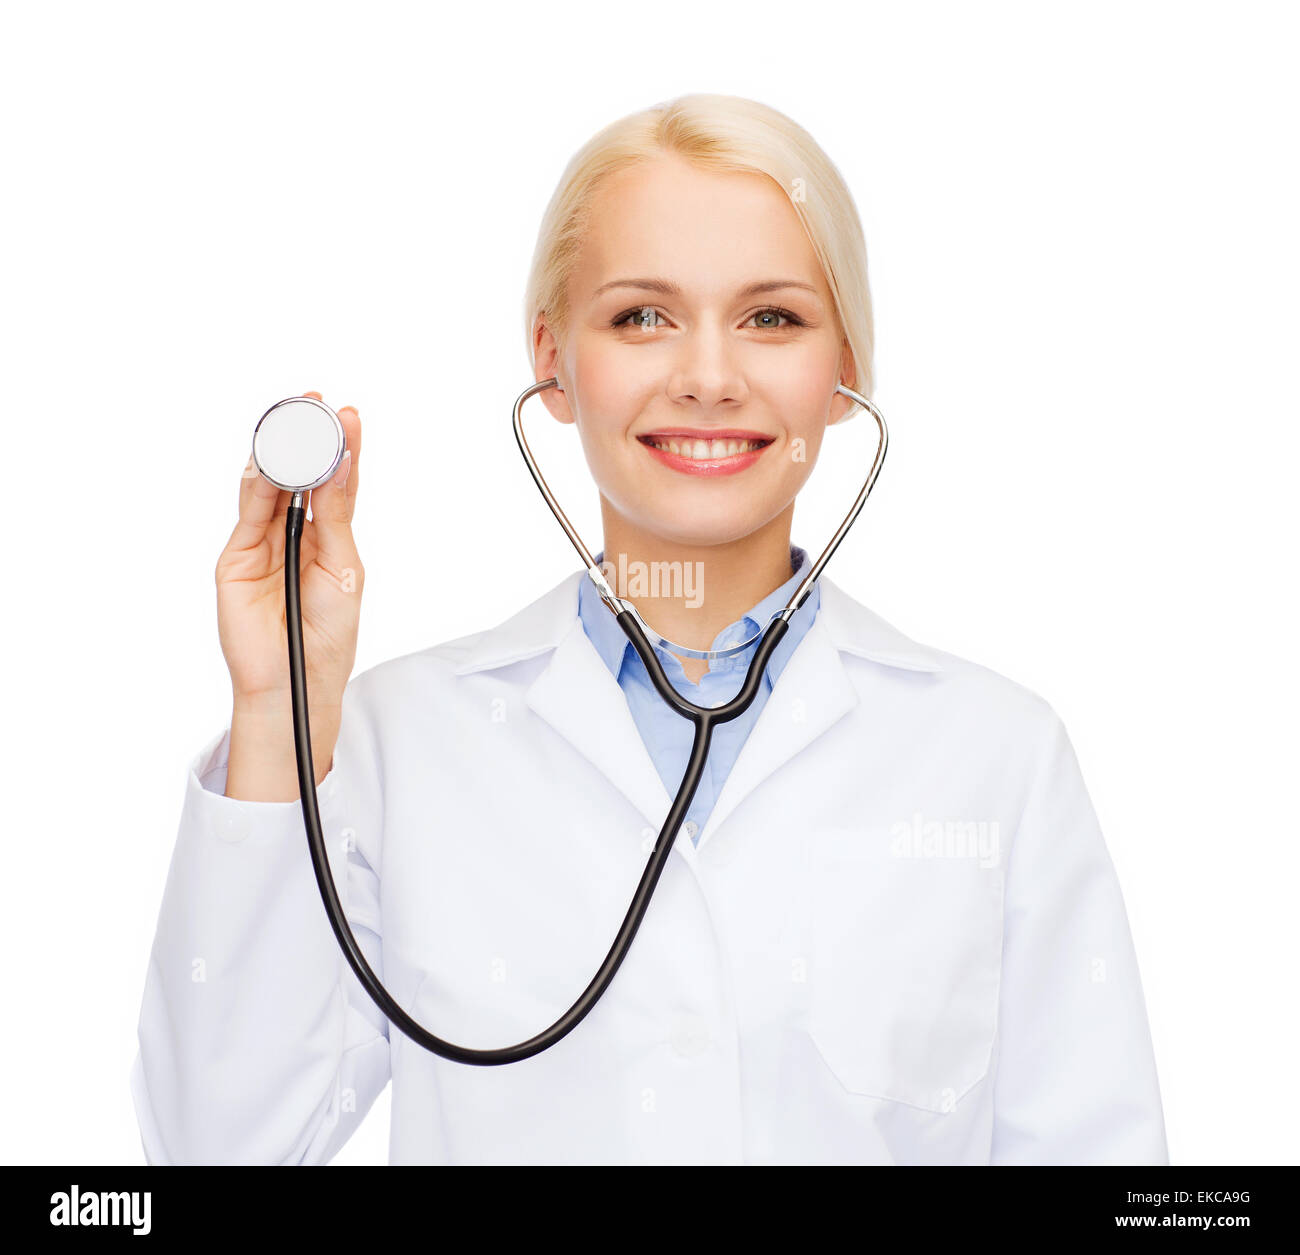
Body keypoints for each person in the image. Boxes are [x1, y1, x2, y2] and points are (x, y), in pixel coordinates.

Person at [129, 93, 1168, 1166]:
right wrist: (274, 713)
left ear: (845, 370)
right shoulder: (399, 741)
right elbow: (218, 1148)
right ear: (554, 361)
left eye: (771, 317)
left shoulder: (994, 756)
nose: (709, 378)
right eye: (640, 316)